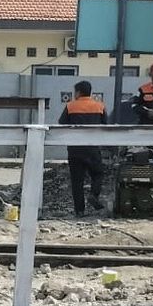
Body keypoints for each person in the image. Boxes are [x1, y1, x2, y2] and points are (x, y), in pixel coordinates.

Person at [58, 80, 107, 217]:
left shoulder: (70, 106)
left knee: (77, 181)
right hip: (92, 148)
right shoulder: (99, 106)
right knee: (98, 174)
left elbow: (62, 123)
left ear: (78, 92)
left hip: (75, 149)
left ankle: (79, 211)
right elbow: (106, 125)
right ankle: (94, 195)